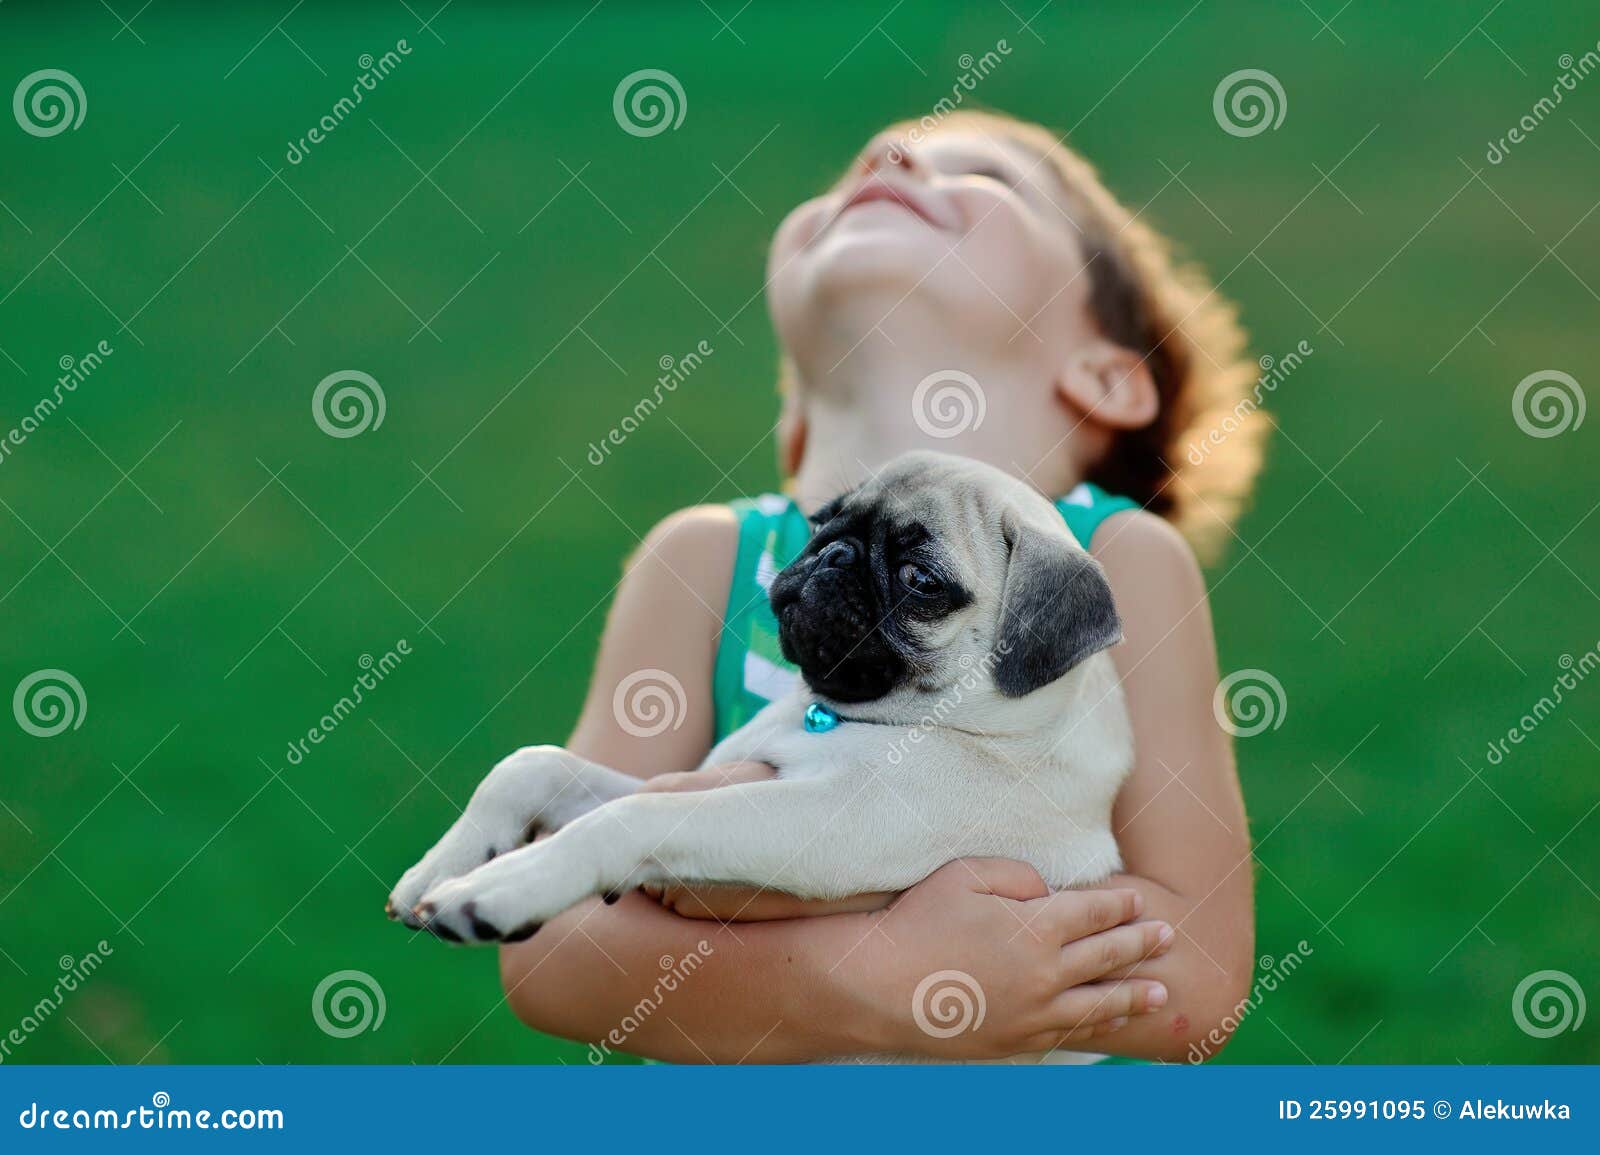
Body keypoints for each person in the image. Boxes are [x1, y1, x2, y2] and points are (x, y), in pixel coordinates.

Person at [498, 111, 1263, 1062]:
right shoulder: (700, 563)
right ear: (794, 422)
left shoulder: (1112, 561)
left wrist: (754, 872)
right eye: (849, 172)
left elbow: (1197, 974)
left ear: (1108, 377)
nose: (890, 155)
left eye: (985, 174)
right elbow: (550, 949)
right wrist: (870, 973)